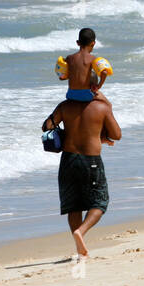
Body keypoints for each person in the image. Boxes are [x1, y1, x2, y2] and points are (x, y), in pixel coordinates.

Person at [42, 92, 122, 258]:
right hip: (91, 160)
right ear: (95, 87)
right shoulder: (101, 107)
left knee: (74, 205)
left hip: (68, 159)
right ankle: (81, 231)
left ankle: (79, 248)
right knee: (100, 201)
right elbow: (116, 135)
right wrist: (108, 108)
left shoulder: (65, 106)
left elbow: (47, 126)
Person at [63, 28, 106, 102]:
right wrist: (99, 85)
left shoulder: (69, 58)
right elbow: (104, 72)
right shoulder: (92, 58)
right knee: (108, 104)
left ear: (78, 43)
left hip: (70, 94)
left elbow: (62, 76)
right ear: (93, 43)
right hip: (86, 95)